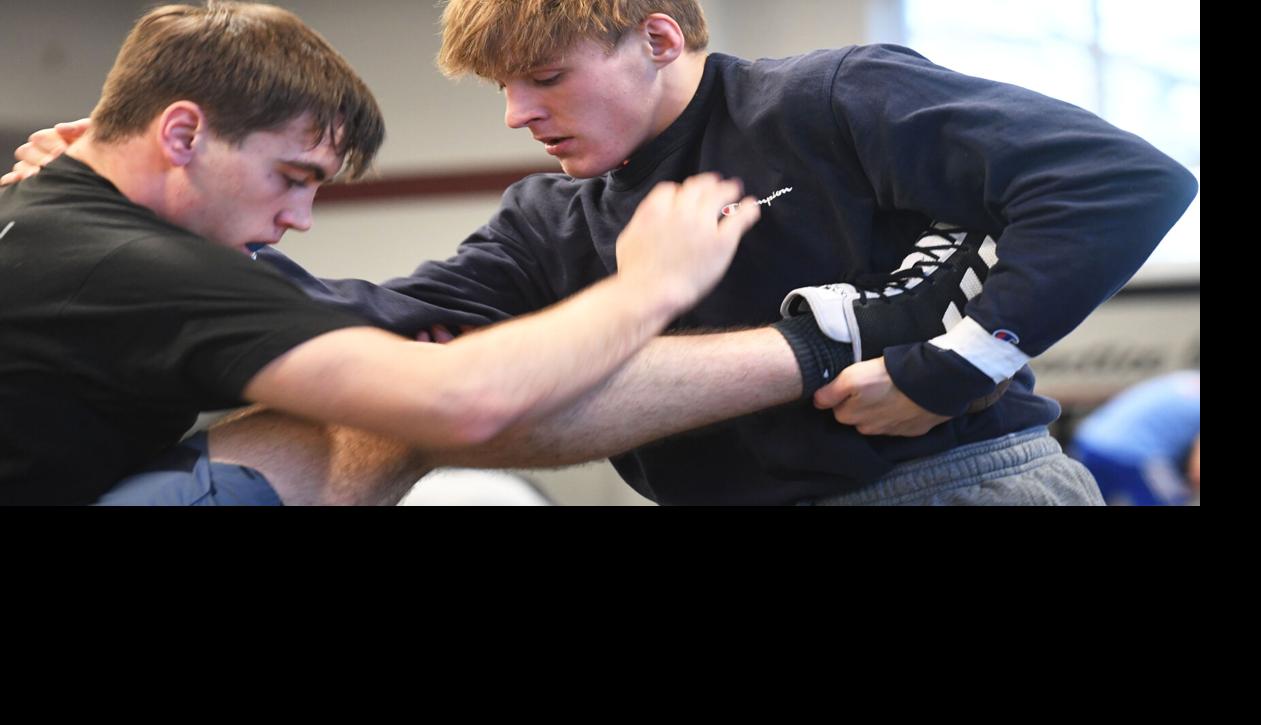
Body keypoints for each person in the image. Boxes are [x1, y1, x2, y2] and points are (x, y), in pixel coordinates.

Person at [12, 0, 1198, 505]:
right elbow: (384, 311)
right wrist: (149, 232)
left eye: (541, 78)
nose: (518, 114)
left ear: (656, 36)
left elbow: (1117, 181)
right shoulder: (554, 217)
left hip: (946, 484)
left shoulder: (832, 95)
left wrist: (956, 361)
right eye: (501, 90)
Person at [1070, 371, 1201, 506]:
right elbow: (1197, 471)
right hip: (1138, 452)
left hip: (1091, 440)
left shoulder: (1186, 378)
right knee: (1174, 499)